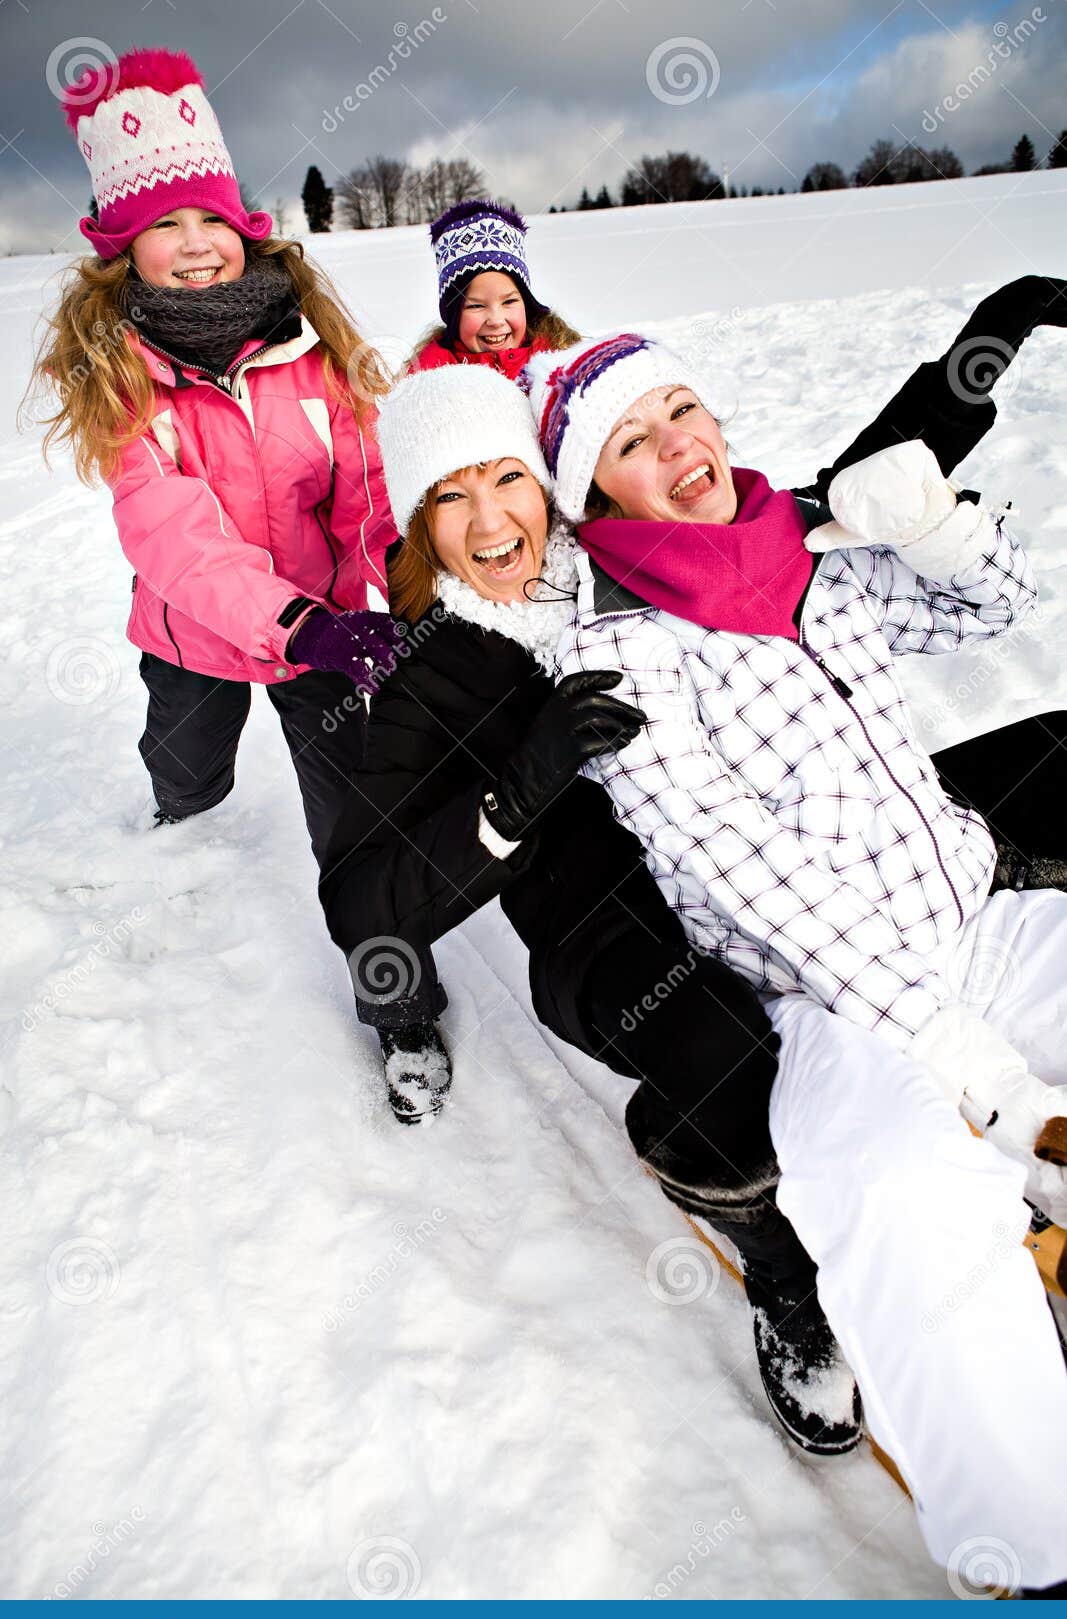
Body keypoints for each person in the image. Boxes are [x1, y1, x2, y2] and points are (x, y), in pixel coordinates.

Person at [525, 330, 1067, 1592]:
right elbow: (733, 869)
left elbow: (991, 607)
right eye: (630, 441)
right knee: (891, 1191)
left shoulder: (811, 558)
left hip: (974, 921)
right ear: (597, 494)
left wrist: (937, 530)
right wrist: (933, 1036)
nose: (677, 446)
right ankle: (1032, 1551)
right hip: (836, 1008)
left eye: (683, 410)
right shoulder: (619, 649)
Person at [318, 363, 864, 1455]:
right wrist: (511, 796)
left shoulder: (630, 554)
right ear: (421, 523)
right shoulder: (427, 672)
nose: (489, 522)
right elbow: (361, 902)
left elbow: (796, 508)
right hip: (606, 929)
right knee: (717, 1052)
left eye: (508, 480)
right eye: (451, 497)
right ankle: (774, 1264)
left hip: (766, 853)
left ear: (550, 487)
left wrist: (945, 411)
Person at [27, 46, 404, 867]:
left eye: (211, 219)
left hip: (323, 623)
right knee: (187, 771)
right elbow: (176, 539)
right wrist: (294, 627)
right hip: (191, 629)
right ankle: (183, 852)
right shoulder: (125, 380)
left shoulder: (313, 354)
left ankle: (389, 972)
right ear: (125, 248)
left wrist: (407, 571)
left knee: (352, 813)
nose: (196, 245)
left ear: (243, 228)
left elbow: (370, 496)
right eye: (164, 224)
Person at [410, 199, 580, 378]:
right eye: (476, 306)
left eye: (509, 301)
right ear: (453, 316)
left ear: (526, 302)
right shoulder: (431, 373)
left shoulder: (557, 355)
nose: (496, 321)